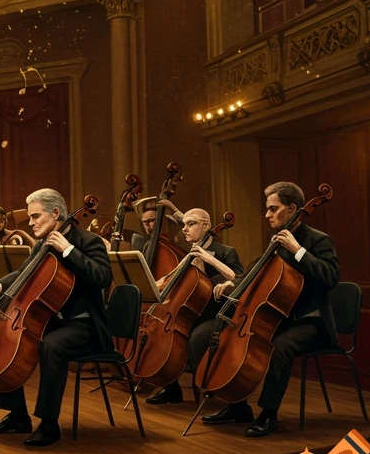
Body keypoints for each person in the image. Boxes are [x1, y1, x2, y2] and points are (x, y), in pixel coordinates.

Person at [199, 182, 338, 438]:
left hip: (311, 321)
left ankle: (268, 415)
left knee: (280, 347)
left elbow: (330, 276)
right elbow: (254, 272)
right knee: (216, 335)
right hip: (280, 317)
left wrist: (298, 251)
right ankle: (237, 405)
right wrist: (233, 284)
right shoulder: (276, 242)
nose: (267, 214)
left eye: (273, 209)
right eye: (267, 209)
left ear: (292, 208)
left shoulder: (316, 240)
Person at [0, 188, 111, 448]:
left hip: (85, 325)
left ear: (56, 213)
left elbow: (102, 277)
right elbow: (22, 273)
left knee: (51, 345)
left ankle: (49, 424)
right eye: (31, 217)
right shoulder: (42, 245)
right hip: (52, 320)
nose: (32, 222)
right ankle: (17, 416)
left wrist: (69, 250)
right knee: (11, 340)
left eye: (36, 216)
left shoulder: (87, 241)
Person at [145, 207, 243, 405]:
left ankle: (208, 388)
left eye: (191, 224)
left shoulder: (225, 252)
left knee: (196, 339)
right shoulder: (187, 255)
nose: (185, 229)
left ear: (206, 226)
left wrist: (209, 262)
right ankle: (171, 387)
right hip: (190, 312)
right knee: (160, 337)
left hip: (215, 313)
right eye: (184, 225)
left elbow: (240, 279)